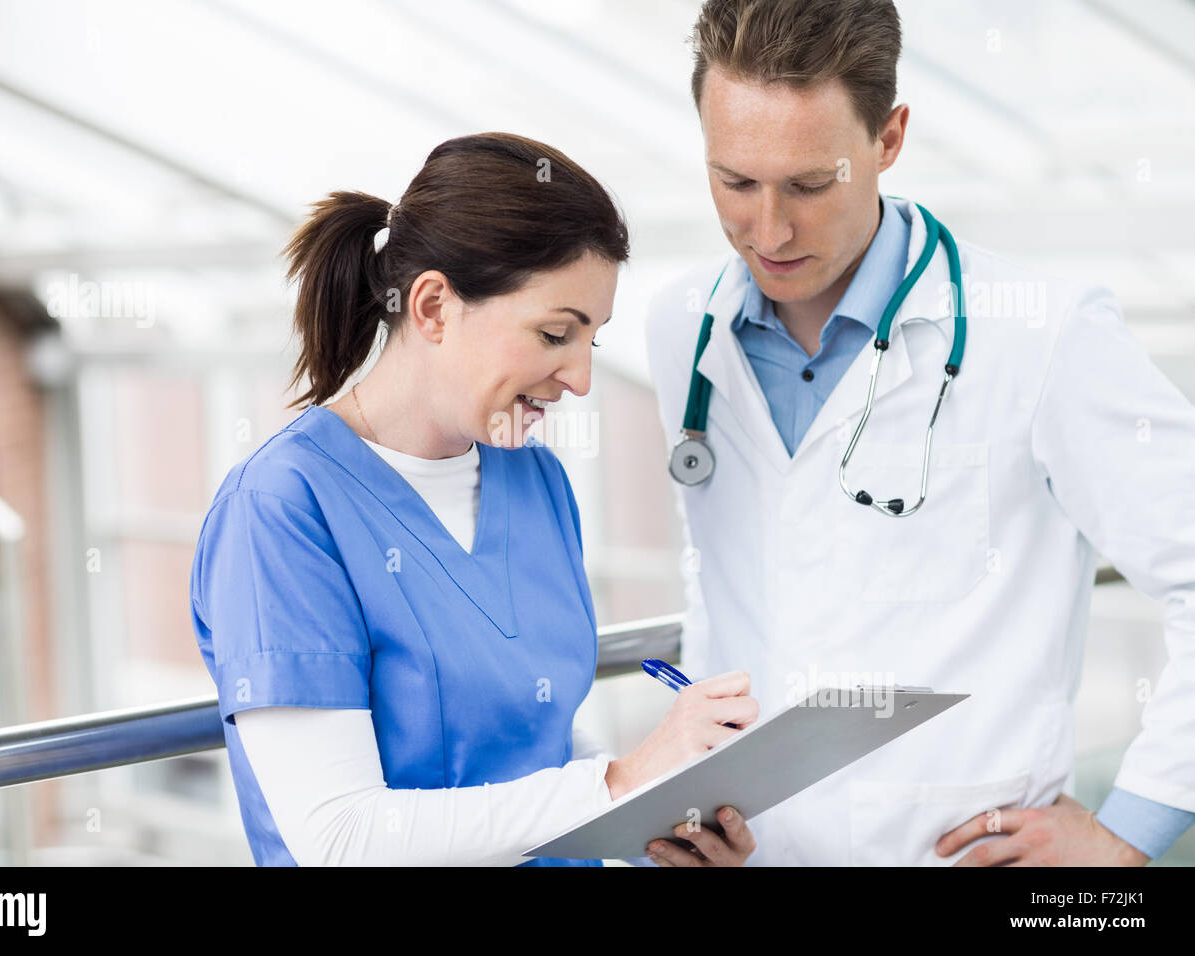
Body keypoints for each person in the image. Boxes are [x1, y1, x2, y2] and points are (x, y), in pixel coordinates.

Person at [644, 0, 1194, 865]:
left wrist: (1133, 831)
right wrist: (688, 805)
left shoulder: (1043, 333)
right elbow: (729, 596)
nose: (770, 230)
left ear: (888, 139)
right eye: (735, 182)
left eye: (810, 185)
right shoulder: (684, 326)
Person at [190, 131, 760, 867]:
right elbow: (339, 838)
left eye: (592, 340)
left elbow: (542, 744)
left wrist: (652, 827)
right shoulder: (281, 510)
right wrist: (619, 785)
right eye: (556, 333)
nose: (580, 379)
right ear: (432, 306)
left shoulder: (537, 483)